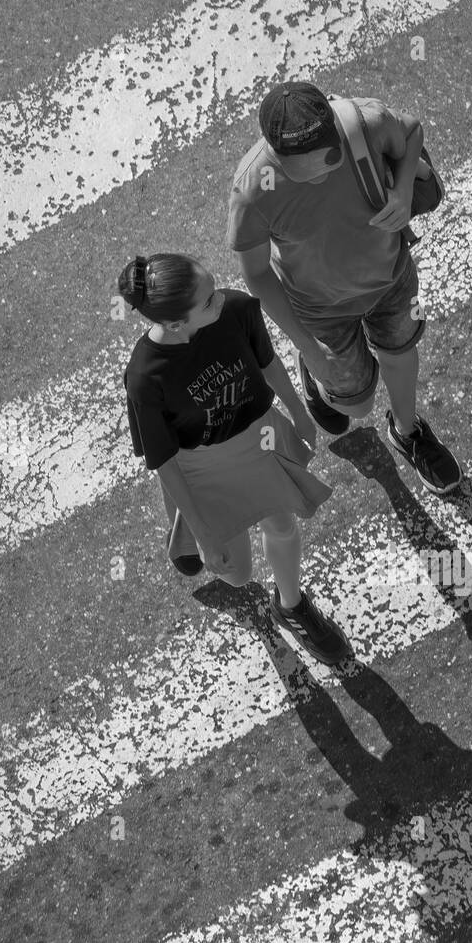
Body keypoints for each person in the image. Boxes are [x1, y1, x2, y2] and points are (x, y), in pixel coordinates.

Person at [225, 80, 462, 495]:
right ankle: (317, 378)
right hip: (320, 310)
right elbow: (258, 275)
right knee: (356, 404)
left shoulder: (362, 121)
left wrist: (404, 189)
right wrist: (311, 351)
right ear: (278, 156)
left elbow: (410, 131)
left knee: (401, 352)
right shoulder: (253, 188)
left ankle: (408, 432)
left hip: (390, 277)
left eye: (332, 153)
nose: (326, 166)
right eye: (310, 165)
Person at [118, 251, 353, 665]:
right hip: (201, 465)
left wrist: (299, 413)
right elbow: (164, 460)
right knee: (239, 574)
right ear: (175, 324)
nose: (220, 299)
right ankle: (186, 531)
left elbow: (267, 363)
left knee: (281, 524)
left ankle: (291, 604)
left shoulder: (237, 309)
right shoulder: (145, 376)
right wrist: (204, 532)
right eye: (208, 300)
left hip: (258, 437)